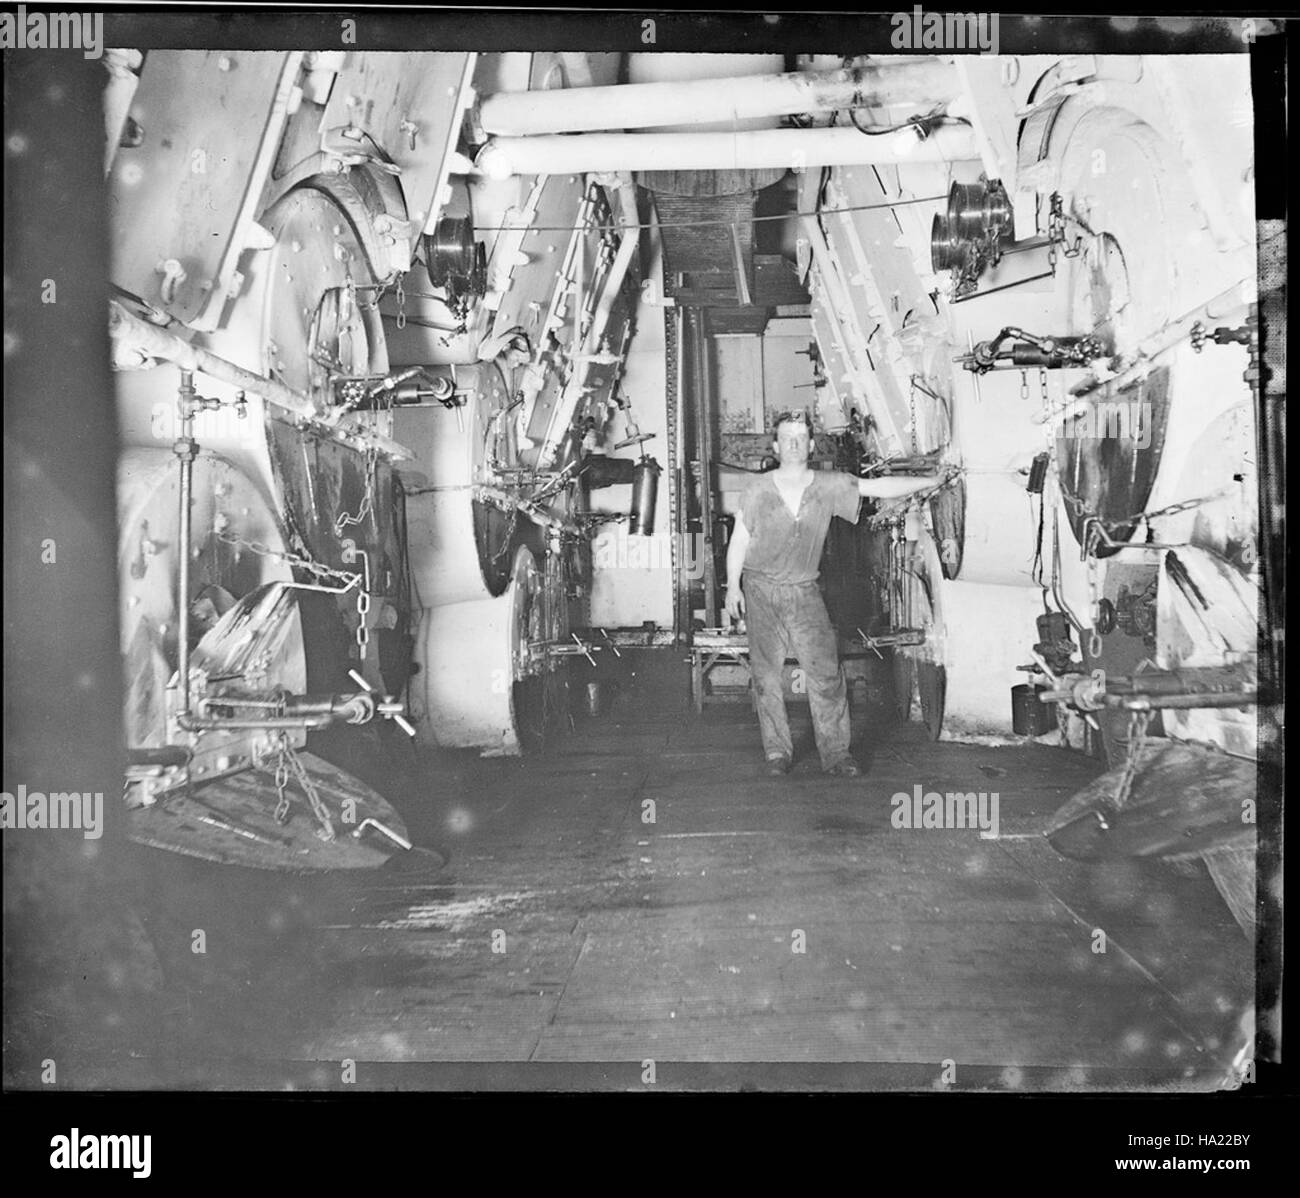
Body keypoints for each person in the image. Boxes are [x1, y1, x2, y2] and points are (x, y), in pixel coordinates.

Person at [724, 411, 942, 777]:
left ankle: (837, 754)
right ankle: (777, 753)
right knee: (766, 677)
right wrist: (732, 587)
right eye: (786, 437)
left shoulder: (829, 485)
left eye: (801, 436)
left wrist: (931, 480)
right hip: (760, 588)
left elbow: (879, 486)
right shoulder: (757, 489)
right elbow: (739, 540)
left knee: (826, 673)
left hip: (804, 589)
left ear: (811, 444)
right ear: (776, 446)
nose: (794, 443)